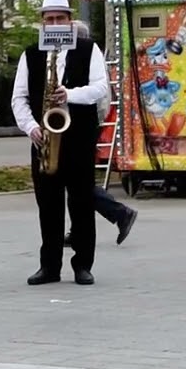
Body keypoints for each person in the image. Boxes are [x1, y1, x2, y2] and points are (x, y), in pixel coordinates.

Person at [11, 0, 110, 286]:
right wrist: (31, 128)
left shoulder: (88, 48)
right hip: (44, 139)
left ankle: (82, 265)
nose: (54, 24)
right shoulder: (30, 54)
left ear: (69, 21)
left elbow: (101, 88)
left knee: (81, 203)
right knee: (48, 205)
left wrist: (70, 94)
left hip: (78, 135)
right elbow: (19, 97)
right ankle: (49, 266)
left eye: (60, 19)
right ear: (42, 23)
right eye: (49, 19)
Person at [63, 21, 138, 247]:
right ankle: (79, 229)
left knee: (77, 182)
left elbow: (100, 97)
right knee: (74, 181)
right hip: (78, 124)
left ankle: (119, 213)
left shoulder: (88, 60)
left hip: (82, 126)